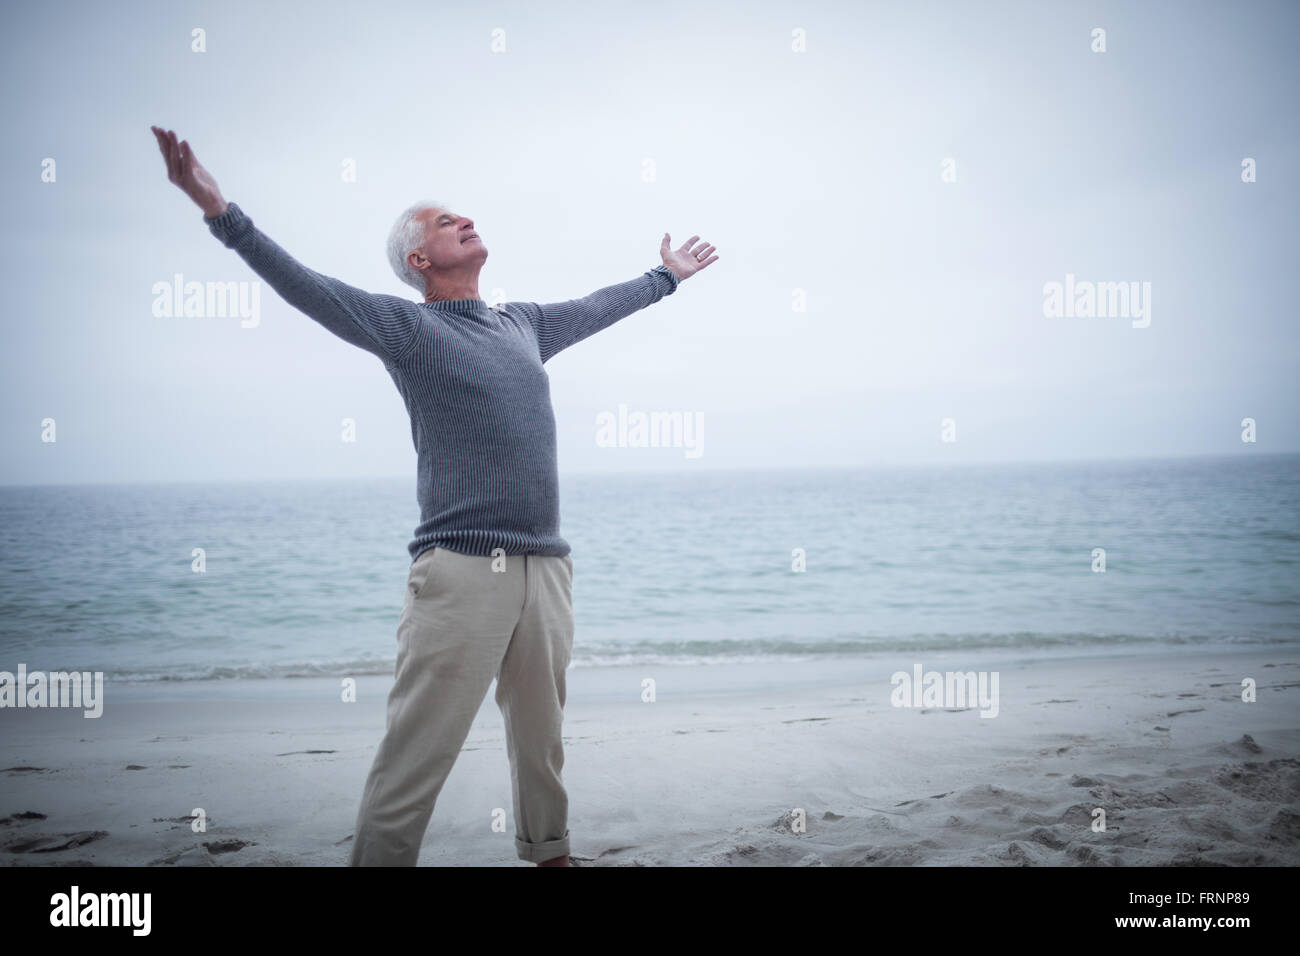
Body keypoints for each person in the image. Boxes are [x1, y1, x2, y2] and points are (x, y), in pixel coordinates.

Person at [150, 126, 719, 866]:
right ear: (419, 260)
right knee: (419, 749)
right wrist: (219, 211)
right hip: (459, 571)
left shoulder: (523, 324)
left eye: (463, 215)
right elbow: (305, 285)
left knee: (542, 742)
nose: (463, 220)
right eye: (444, 222)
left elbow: (596, 306)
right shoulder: (407, 327)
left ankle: (550, 855)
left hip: (545, 568)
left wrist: (664, 276)